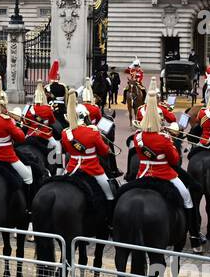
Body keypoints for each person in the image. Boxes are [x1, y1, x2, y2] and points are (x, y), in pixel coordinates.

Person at [127, 86, 196, 236]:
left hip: (143, 173)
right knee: (187, 197)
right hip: (164, 174)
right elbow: (174, 159)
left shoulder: (137, 138)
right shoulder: (164, 138)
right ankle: (194, 234)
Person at [63, 88, 116, 204]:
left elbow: (67, 150)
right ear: (85, 116)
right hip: (92, 169)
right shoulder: (93, 132)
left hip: (71, 168)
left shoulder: (65, 132)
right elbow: (103, 151)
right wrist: (107, 149)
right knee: (110, 194)